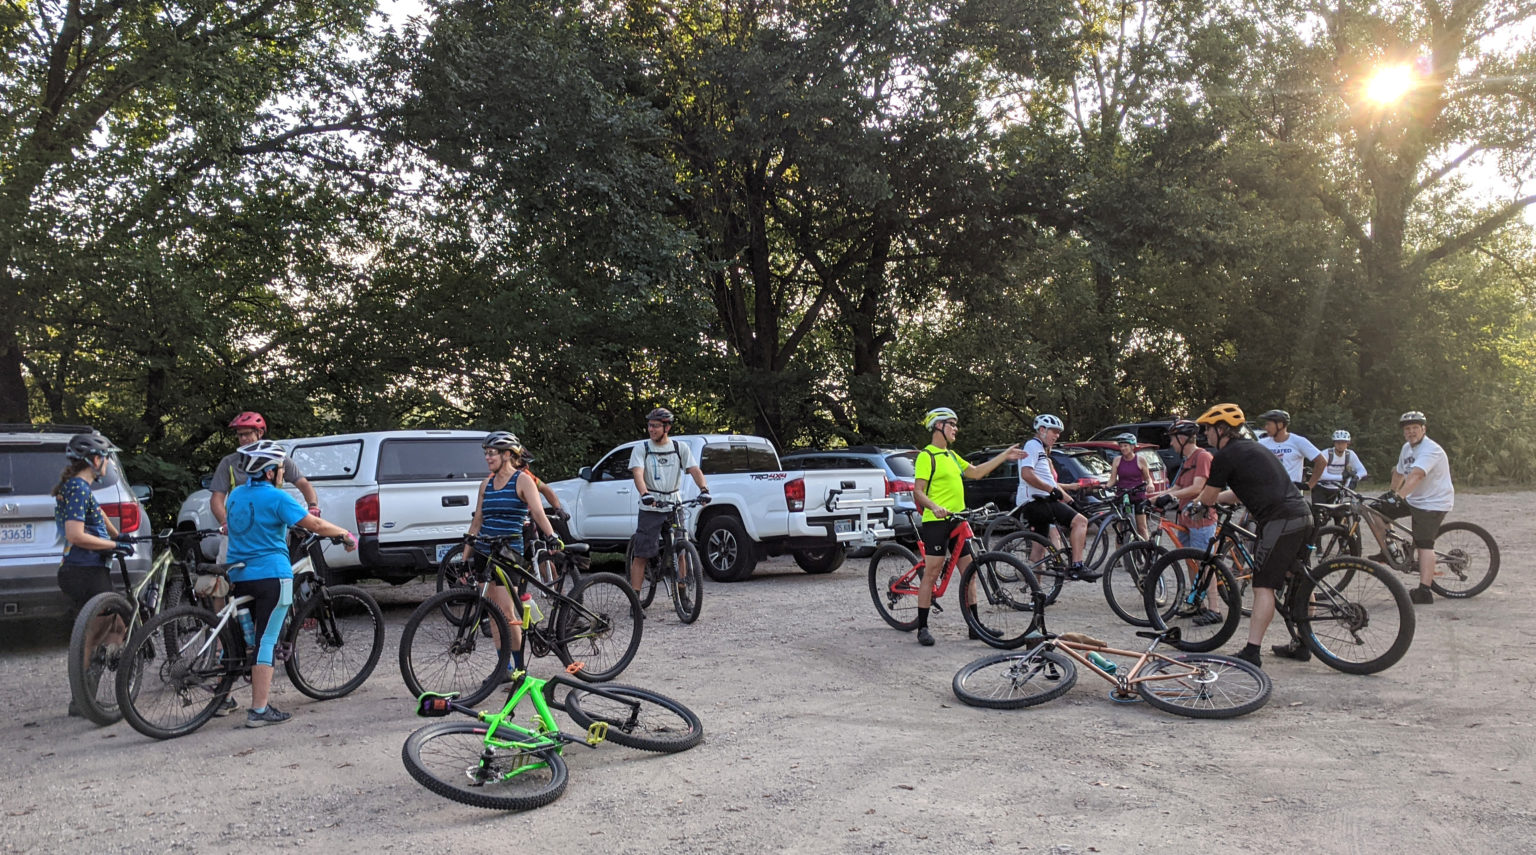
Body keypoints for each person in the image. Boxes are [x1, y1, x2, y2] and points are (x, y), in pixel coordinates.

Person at [224, 441, 357, 727]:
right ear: (270, 472)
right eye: (281, 468)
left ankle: (223, 691)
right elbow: (316, 526)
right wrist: (345, 534)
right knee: (266, 640)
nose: (282, 473)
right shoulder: (276, 498)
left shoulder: (234, 495)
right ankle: (259, 710)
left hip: (238, 574)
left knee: (245, 637)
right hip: (271, 575)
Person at [1190, 403, 1314, 668]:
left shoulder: (1225, 456)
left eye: (1208, 429)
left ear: (1221, 429)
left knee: (1263, 586)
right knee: (1300, 578)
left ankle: (1252, 651)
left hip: (1279, 520)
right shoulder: (1255, 448)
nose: (1206, 435)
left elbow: (1210, 497)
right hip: (1302, 514)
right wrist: (1207, 500)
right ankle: (1305, 642)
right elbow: (1237, 493)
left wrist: (1198, 505)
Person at [911, 407, 1023, 646]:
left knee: (970, 573)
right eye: (951, 424)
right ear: (938, 426)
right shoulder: (927, 456)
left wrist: (1004, 455)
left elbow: (976, 472)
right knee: (931, 572)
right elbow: (918, 491)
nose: (955, 429)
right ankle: (922, 626)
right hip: (936, 522)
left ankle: (975, 627)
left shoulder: (952, 456)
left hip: (958, 520)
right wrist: (934, 506)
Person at [461, 431, 563, 675]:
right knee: (493, 613)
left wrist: (551, 537)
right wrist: (465, 558)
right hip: (485, 550)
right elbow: (477, 520)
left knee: (507, 612)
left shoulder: (522, 480)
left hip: (509, 552)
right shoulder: (485, 484)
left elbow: (537, 512)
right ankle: (503, 668)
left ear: (508, 455)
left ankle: (519, 670)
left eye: (492, 453)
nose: (487, 457)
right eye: (486, 453)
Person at [52, 432, 130, 717]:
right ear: (95, 460)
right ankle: (83, 701)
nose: (107, 463)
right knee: (95, 635)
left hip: (86, 569)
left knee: (117, 624)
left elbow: (98, 514)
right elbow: (76, 534)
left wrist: (119, 535)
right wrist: (113, 545)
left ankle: (87, 695)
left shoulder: (79, 488)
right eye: (106, 458)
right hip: (85, 570)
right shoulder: (77, 488)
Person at [1365, 411, 1453, 605]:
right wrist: (1391, 493)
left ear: (1423, 429)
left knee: (1424, 544)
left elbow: (1416, 476)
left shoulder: (1431, 450)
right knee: (1375, 511)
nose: (1411, 432)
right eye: (1407, 429)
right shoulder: (1407, 448)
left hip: (1433, 501)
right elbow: (1399, 473)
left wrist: (1398, 497)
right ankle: (1389, 551)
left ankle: (1425, 591)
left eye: (1415, 428)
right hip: (1414, 497)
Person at [210, 412, 320, 557]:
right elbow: (216, 499)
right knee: (227, 569)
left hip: (270, 527)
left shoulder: (278, 459)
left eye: (247, 434)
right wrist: (225, 523)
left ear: (260, 433)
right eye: (239, 435)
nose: (242, 439)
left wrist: (313, 507)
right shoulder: (229, 462)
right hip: (239, 527)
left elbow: (303, 484)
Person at [628, 408, 710, 599]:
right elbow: (638, 473)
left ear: (667, 427)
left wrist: (704, 490)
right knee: (642, 554)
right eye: (649, 425)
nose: (651, 429)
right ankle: (635, 598)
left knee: (681, 550)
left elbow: (694, 470)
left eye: (655, 426)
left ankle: (682, 595)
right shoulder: (642, 449)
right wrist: (644, 493)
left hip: (674, 504)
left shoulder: (679, 448)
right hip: (651, 506)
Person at [1016, 414, 1093, 581]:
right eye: (1055, 432)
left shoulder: (1040, 449)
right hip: (1037, 501)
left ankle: (1036, 594)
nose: (1057, 436)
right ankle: (1077, 566)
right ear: (1042, 430)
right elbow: (1027, 474)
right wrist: (1051, 490)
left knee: (1038, 552)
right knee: (1080, 522)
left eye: (1059, 433)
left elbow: (1053, 484)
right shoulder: (1032, 445)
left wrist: (1071, 501)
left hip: (1040, 501)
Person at [1256, 409, 1326, 494]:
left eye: (1268, 424)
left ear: (1280, 425)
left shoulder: (1298, 441)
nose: (1266, 427)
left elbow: (1321, 461)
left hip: (1290, 494)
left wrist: (1310, 485)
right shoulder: (1262, 443)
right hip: (1269, 491)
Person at [1105, 432, 1153, 539]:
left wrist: (1150, 484)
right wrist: (1106, 487)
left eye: (1125, 446)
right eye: (1121, 446)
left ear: (1132, 446)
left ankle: (1147, 550)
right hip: (1122, 495)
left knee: (1142, 527)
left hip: (1137, 495)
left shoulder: (1140, 460)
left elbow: (1147, 478)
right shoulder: (1117, 460)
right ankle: (1119, 554)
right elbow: (1113, 479)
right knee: (1120, 529)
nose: (1123, 448)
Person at [1313, 429, 1368, 506]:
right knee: (1319, 512)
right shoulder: (1326, 454)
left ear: (1347, 444)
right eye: (1338, 442)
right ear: (1334, 443)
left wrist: (1356, 478)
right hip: (1322, 488)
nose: (1340, 445)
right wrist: (1342, 477)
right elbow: (1322, 475)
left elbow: (1363, 471)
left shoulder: (1350, 454)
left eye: (1343, 442)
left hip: (1338, 489)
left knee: (1342, 514)